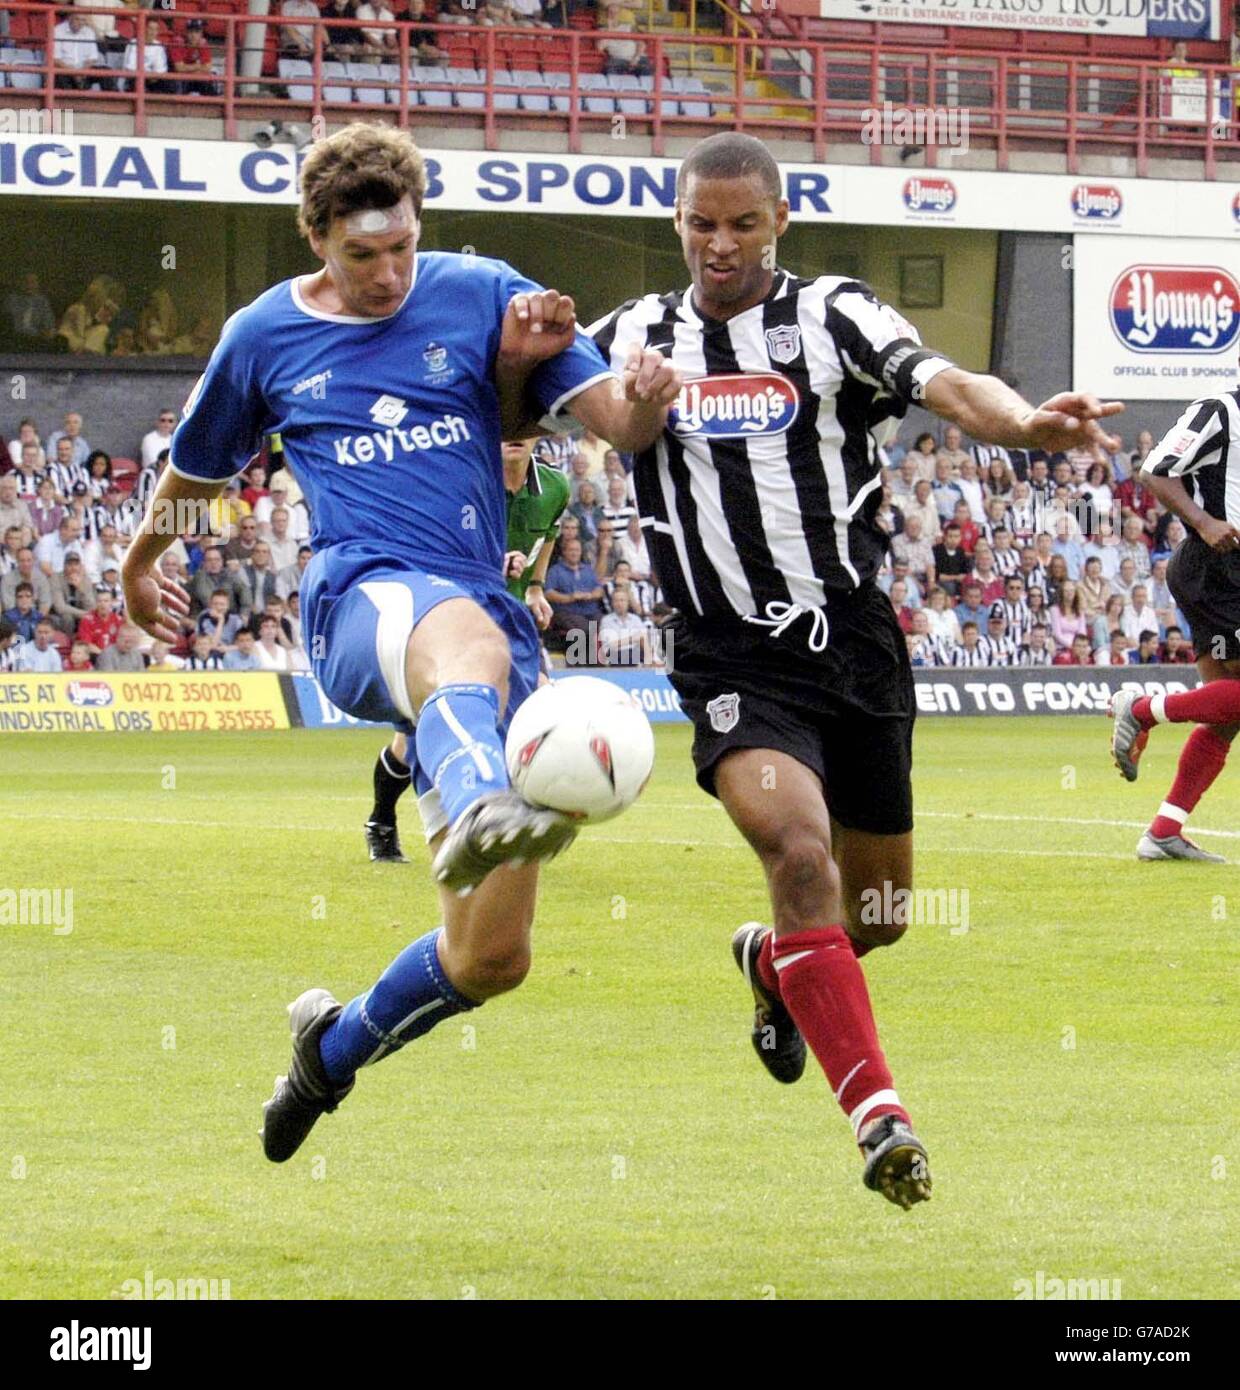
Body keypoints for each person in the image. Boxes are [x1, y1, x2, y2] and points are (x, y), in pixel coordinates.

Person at [121, 123, 679, 1166]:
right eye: (360, 254)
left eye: (402, 250)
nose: (386, 275)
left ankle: (326, 1054)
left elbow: (610, 417)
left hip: (485, 624)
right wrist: (139, 564)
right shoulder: (263, 337)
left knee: (490, 958)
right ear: (316, 237)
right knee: (455, 639)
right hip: (358, 598)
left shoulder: (481, 293)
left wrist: (639, 402)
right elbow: (200, 478)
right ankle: (476, 803)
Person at [584, 131, 1121, 1208]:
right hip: (731, 652)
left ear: (780, 221)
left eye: (742, 224)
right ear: (676, 224)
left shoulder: (834, 315)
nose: (719, 245)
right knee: (794, 851)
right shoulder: (635, 335)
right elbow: (539, 395)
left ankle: (773, 965)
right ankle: (880, 1115)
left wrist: (1026, 422)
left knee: (873, 915)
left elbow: (946, 384)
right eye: (700, 224)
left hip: (855, 644)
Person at [365, 438, 569, 862]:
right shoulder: (458, 483)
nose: (513, 433)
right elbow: (423, 551)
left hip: (509, 622)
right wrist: (486, 561)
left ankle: (507, 826)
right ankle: (381, 819)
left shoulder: (555, 487)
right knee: (413, 740)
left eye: (523, 424)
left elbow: (548, 533)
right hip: (450, 620)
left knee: (534, 717)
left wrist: (534, 586)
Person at [1109, 372, 1240, 861]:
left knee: (1226, 713)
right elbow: (1156, 470)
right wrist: (1205, 523)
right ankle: (1141, 710)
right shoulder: (1219, 411)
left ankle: (1164, 831)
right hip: (1219, 569)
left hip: (1228, 576)